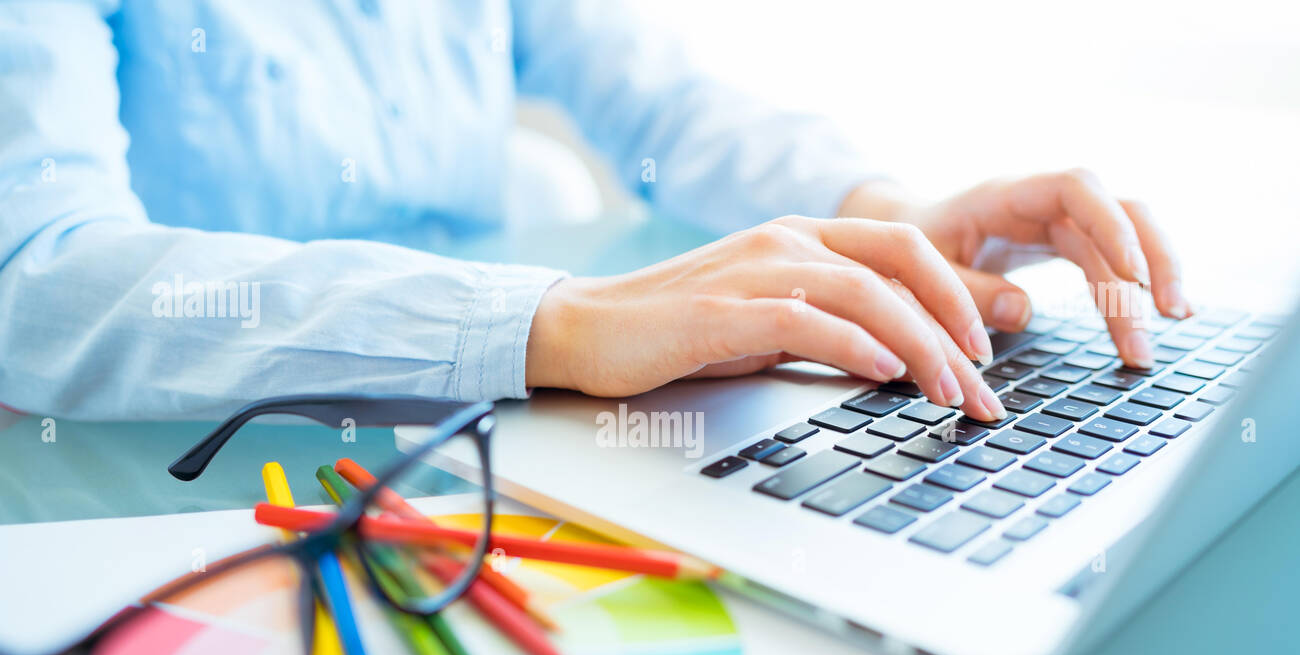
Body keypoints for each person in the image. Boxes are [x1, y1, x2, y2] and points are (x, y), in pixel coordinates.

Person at [0, 1, 1189, 424]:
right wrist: (553, 325)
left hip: (502, 435)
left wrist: (892, 210)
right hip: (198, 466)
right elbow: (42, 275)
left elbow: (661, 103)